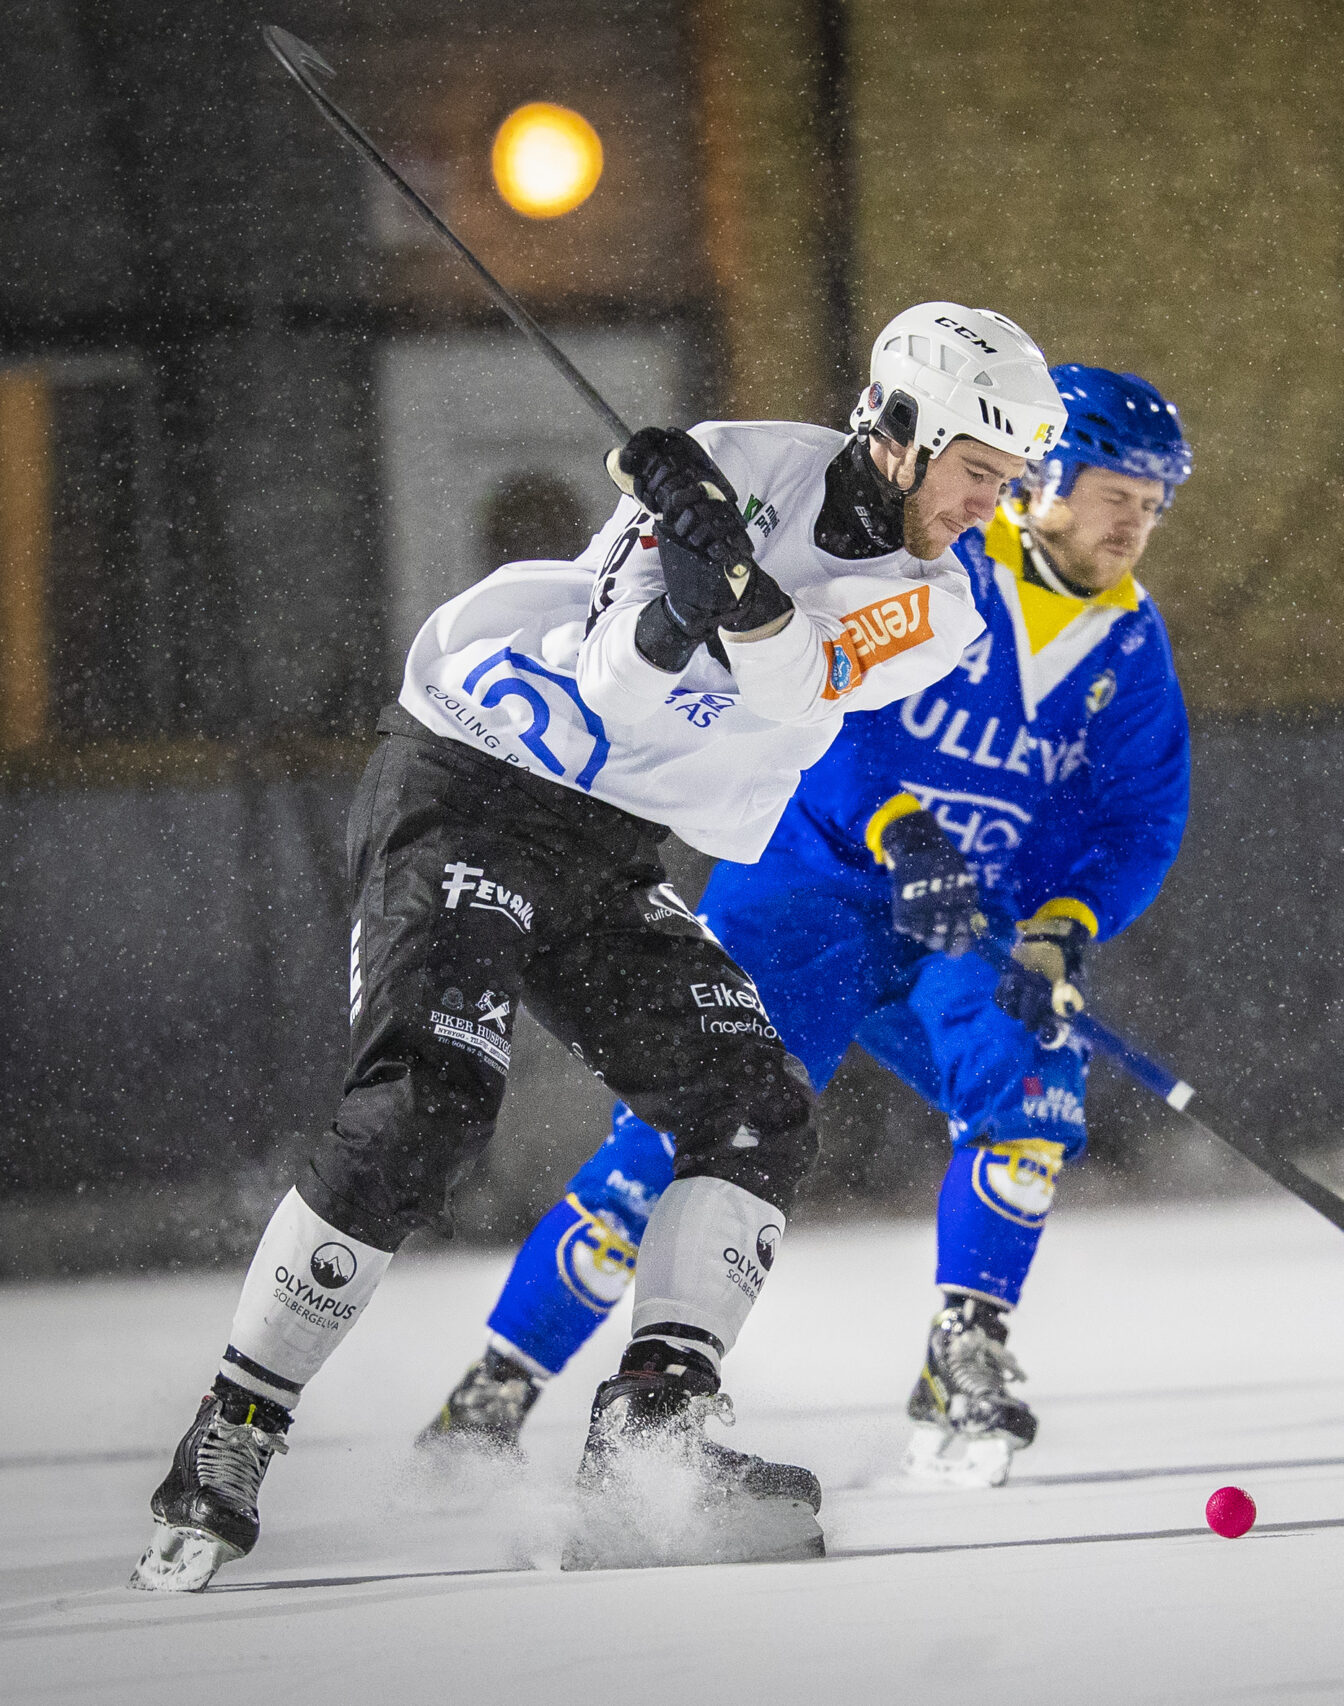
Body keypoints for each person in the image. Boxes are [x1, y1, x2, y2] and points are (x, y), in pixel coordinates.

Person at [131, 303, 1068, 1589]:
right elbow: (622, 681)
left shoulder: (945, 602)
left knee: (752, 1103)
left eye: (1011, 484)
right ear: (898, 431)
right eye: (981, 473)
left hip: (604, 846)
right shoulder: (737, 459)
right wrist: (683, 579)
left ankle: (651, 1440)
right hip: (471, 773)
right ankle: (232, 1428)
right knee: (432, 1100)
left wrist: (728, 586)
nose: (991, 506)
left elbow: (802, 683)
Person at [415, 364, 1193, 1489]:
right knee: (675, 1140)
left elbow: (1137, 819)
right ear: (1050, 481)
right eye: (1121, 491)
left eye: (1155, 503)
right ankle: (497, 1383)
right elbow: (817, 703)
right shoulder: (946, 558)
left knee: (1033, 1077)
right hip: (810, 895)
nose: (1138, 521)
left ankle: (962, 1349)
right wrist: (899, 830)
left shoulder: (1130, 649)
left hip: (962, 929)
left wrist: (1060, 930)